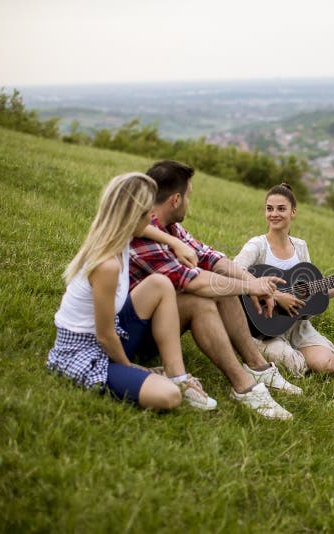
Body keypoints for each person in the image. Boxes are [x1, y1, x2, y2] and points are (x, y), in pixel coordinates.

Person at [129, 160, 301, 420]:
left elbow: (209, 256)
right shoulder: (143, 236)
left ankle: (258, 366)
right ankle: (245, 387)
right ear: (176, 199)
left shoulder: (168, 227)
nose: (189, 201)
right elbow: (192, 281)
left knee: (221, 280)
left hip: (156, 320)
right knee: (203, 299)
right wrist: (248, 285)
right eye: (188, 196)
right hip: (131, 334)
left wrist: (251, 282)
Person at [47, 172, 217, 410]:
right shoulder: (107, 266)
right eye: (148, 211)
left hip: (108, 333)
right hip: (81, 351)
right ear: (133, 216)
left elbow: (147, 230)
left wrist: (175, 242)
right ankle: (163, 381)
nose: (153, 217)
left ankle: (178, 376)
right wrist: (132, 368)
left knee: (160, 283)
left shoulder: (118, 236)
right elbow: (104, 336)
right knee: (168, 396)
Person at [233, 183, 334, 376]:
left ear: (293, 212)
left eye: (281, 209)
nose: (274, 214)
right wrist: (275, 295)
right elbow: (234, 270)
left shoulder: (300, 247)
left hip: (297, 327)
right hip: (261, 326)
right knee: (294, 365)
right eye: (269, 208)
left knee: (328, 364)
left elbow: (315, 292)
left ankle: (290, 353)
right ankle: (263, 352)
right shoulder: (258, 245)